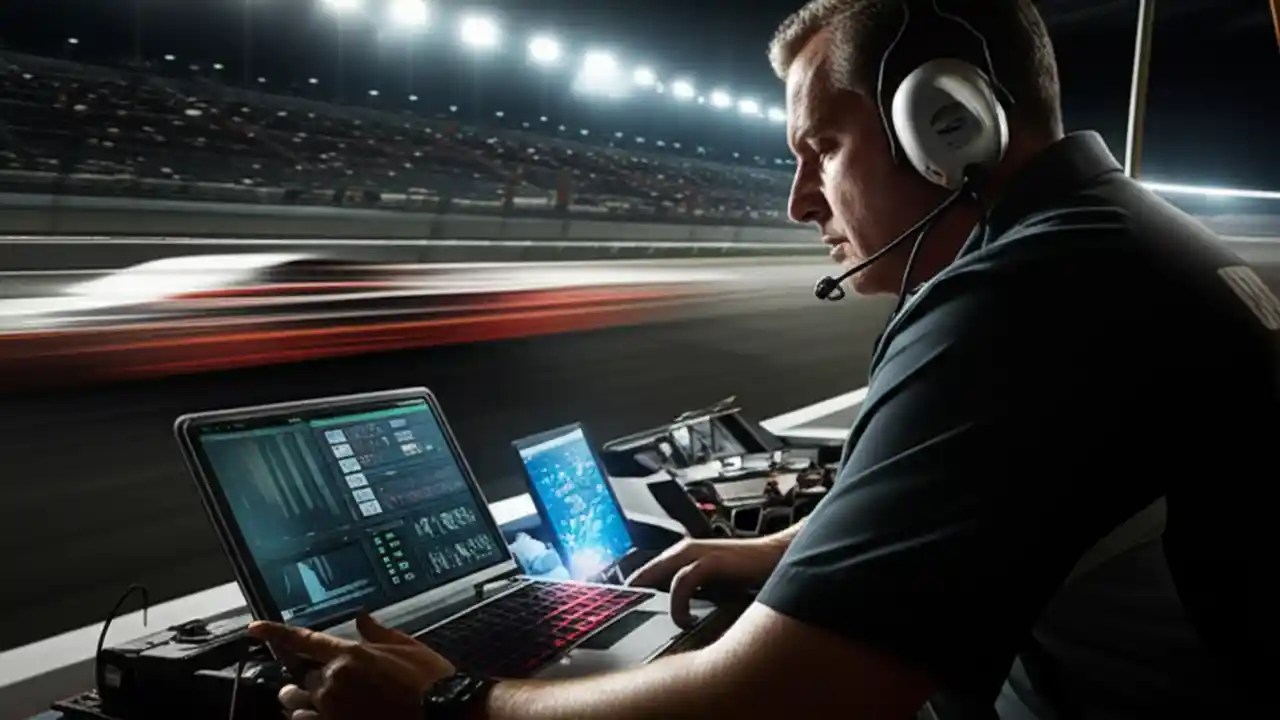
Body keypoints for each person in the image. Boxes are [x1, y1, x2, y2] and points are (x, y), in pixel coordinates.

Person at [248, 1, 1276, 718]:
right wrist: (779, 554)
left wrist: (446, 698)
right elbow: (1017, 500)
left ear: (945, 126)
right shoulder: (1115, 239)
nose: (798, 202)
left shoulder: (1016, 303)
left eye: (818, 147)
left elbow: (775, 701)